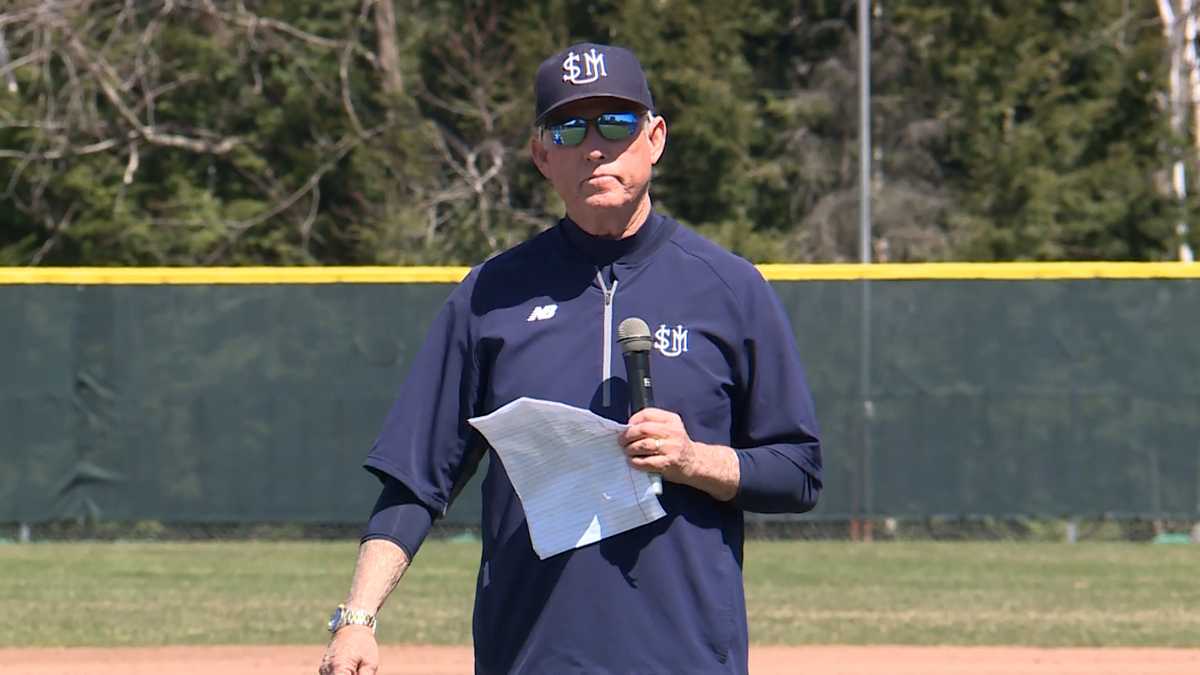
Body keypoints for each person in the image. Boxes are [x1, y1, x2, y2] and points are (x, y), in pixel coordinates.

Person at [319, 41, 822, 675]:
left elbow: (798, 471)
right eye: (569, 126)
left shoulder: (729, 287)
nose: (594, 145)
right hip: (529, 655)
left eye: (616, 123)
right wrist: (358, 618)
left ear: (654, 138)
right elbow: (414, 479)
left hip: (686, 656)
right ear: (541, 154)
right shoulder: (491, 294)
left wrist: (694, 460)